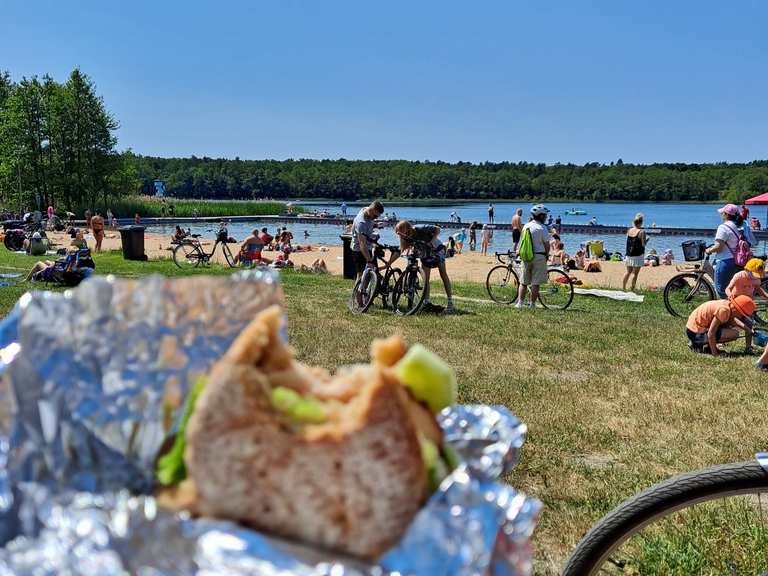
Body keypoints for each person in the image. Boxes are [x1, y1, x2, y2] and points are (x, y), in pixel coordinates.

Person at [394, 220, 454, 313]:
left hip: (436, 249)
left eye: (402, 233)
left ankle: (450, 302)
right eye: (399, 234)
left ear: (407, 229)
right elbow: (401, 250)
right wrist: (388, 264)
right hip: (424, 253)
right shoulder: (404, 237)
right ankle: (426, 302)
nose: (401, 236)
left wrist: (431, 241)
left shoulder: (419, 228)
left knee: (443, 274)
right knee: (426, 279)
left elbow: (437, 229)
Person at [685, 295, 754, 355]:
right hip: (695, 333)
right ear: (737, 310)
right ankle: (699, 343)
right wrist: (715, 354)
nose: (742, 318)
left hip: (692, 330)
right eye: (742, 316)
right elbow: (711, 333)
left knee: (727, 326)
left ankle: (701, 345)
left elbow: (733, 321)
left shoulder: (727, 304)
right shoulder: (724, 311)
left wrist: (748, 330)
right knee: (734, 334)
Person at [515, 205, 550, 309]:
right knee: (535, 283)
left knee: (523, 282)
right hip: (539, 256)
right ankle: (532, 304)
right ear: (541, 216)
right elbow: (547, 245)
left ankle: (520, 303)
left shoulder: (526, 226)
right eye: (545, 215)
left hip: (526, 256)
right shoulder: (542, 228)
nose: (546, 217)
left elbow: (522, 241)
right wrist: (547, 255)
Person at [705, 204, 743, 299]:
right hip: (735, 261)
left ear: (726, 214)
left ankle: (728, 311)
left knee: (722, 292)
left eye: (722, 213)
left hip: (724, 261)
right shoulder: (736, 226)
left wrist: (709, 250)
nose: (721, 215)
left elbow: (719, 247)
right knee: (730, 290)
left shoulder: (723, 227)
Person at [351, 200, 384, 284]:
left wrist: (376, 225)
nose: (375, 218)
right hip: (359, 250)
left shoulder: (366, 210)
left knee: (373, 274)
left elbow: (369, 223)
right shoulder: (361, 222)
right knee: (361, 276)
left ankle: (368, 295)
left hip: (368, 247)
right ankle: (358, 296)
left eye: (377, 217)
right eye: (375, 216)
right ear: (371, 210)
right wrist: (368, 261)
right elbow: (362, 244)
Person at [622, 213, 647, 291]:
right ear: (641, 222)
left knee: (628, 272)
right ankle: (632, 289)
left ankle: (623, 288)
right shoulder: (641, 232)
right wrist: (647, 240)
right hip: (637, 255)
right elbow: (643, 244)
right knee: (635, 274)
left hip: (629, 254)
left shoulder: (629, 230)